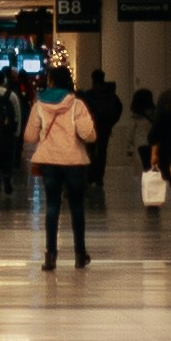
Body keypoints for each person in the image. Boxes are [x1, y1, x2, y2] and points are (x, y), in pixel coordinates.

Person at [25, 71, 103, 271]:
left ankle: (50, 256)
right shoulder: (77, 105)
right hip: (74, 161)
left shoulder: (39, 105)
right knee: (77, 207)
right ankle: (79, 254)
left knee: (52, 206)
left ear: (50, 82)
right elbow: (89, 135)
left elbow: (30, 136)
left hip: (49, 161)